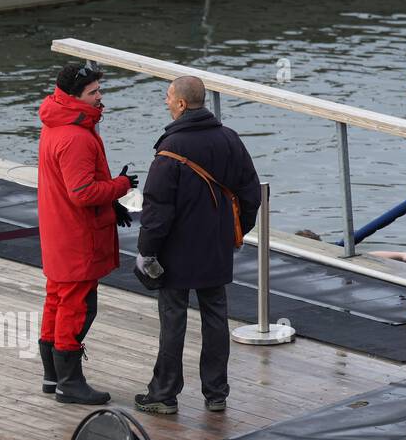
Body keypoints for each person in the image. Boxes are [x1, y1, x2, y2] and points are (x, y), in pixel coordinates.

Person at [134, 76, 261, 414]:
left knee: (173, 319)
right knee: (216, 317)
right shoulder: (229, 140)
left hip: (175, 251)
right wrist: (235, 231)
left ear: (181, 104)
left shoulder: (170, 150)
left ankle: (164, 394)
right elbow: (250, 192)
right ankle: (216, 394)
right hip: (215, 248)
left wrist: (147, 250)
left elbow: (157, 208)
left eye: (168, 96)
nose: (165, 102)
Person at [36, 62, 138, 405]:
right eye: (93, 92)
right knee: (78, 307)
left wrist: (111, 204)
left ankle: (53, 377)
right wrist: (120, 187)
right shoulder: (76, 136)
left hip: (58, 229)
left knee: (57, 299)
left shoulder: (57, 123)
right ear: (73, 96)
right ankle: (70, 383)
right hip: (77, 236)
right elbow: (82, 193)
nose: (100, 97)